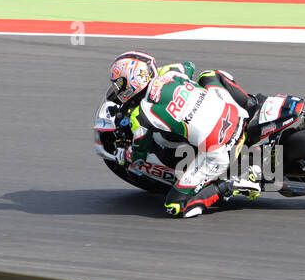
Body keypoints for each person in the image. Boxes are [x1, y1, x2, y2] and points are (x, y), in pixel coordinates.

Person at [107, 52, 261, 218]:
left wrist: (123, 154)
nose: (118, 89)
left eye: (119, 84)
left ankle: (232, 184)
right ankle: (254, 105)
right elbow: (189, 66)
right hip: (236, 112)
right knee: (209, 75)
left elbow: (138, 157)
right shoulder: (170, 72)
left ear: (132, 81)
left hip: (222, 148)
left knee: (175, 206)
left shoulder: (141, 115)